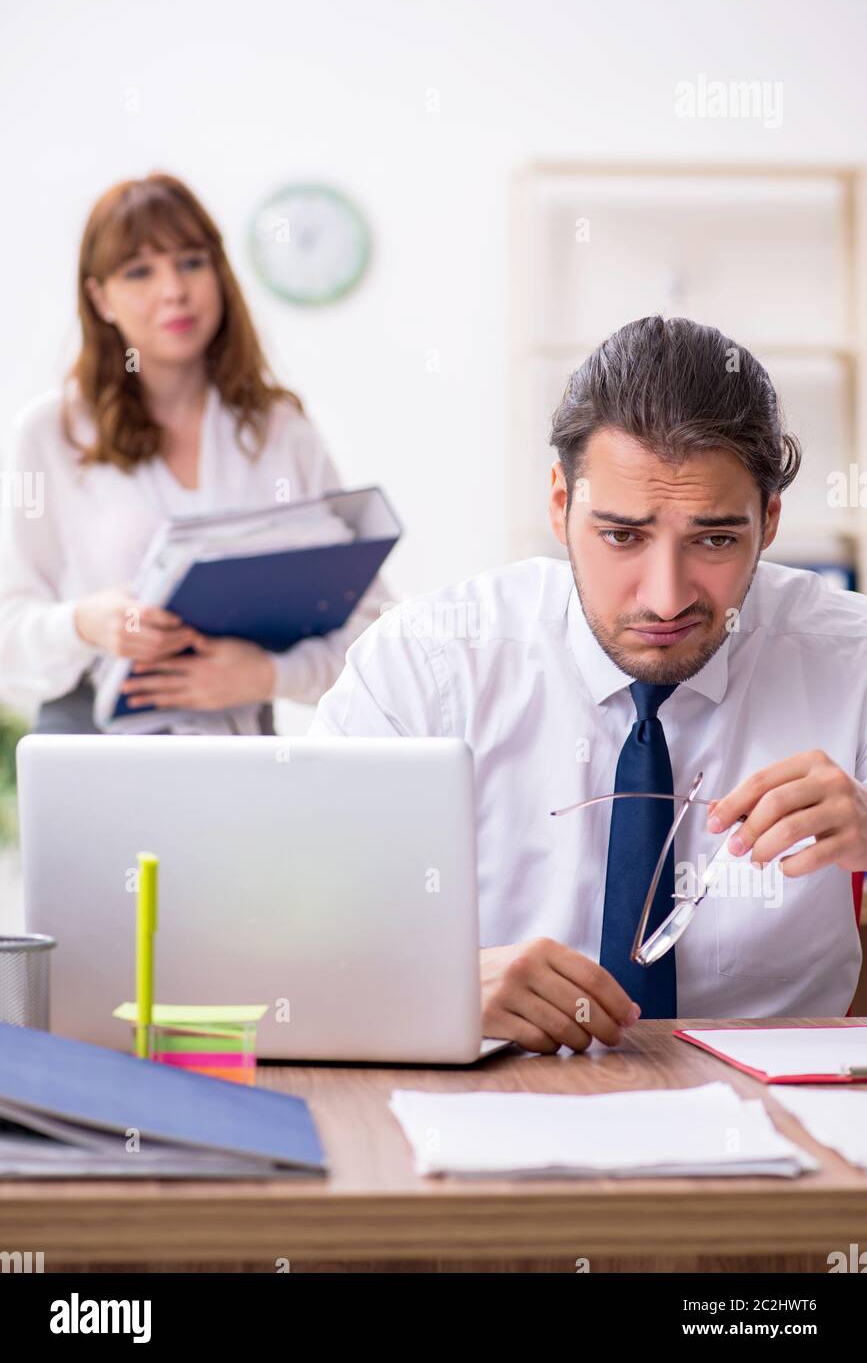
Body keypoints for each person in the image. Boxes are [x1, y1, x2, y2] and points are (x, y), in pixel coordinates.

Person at [310, 316, 867, 1049]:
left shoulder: (851, 661)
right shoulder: (424, 667)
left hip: (794, 1121)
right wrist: (426, 987)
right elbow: (273, 934)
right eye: (622, 536)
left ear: (767, 521)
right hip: (493, 1111)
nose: (665, 598)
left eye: (714, 539)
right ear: (558, 505)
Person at [0, 172, 383, 734]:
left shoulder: (280, 430)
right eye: (139, 272)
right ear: (100, 299)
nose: (173, 290)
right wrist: (85, 623)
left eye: (191, 262)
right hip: (93, 749)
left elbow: (372, 626)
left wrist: (269, 675)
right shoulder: (49, 432)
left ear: (220, 274)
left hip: (241, 759)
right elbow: (10, 628)